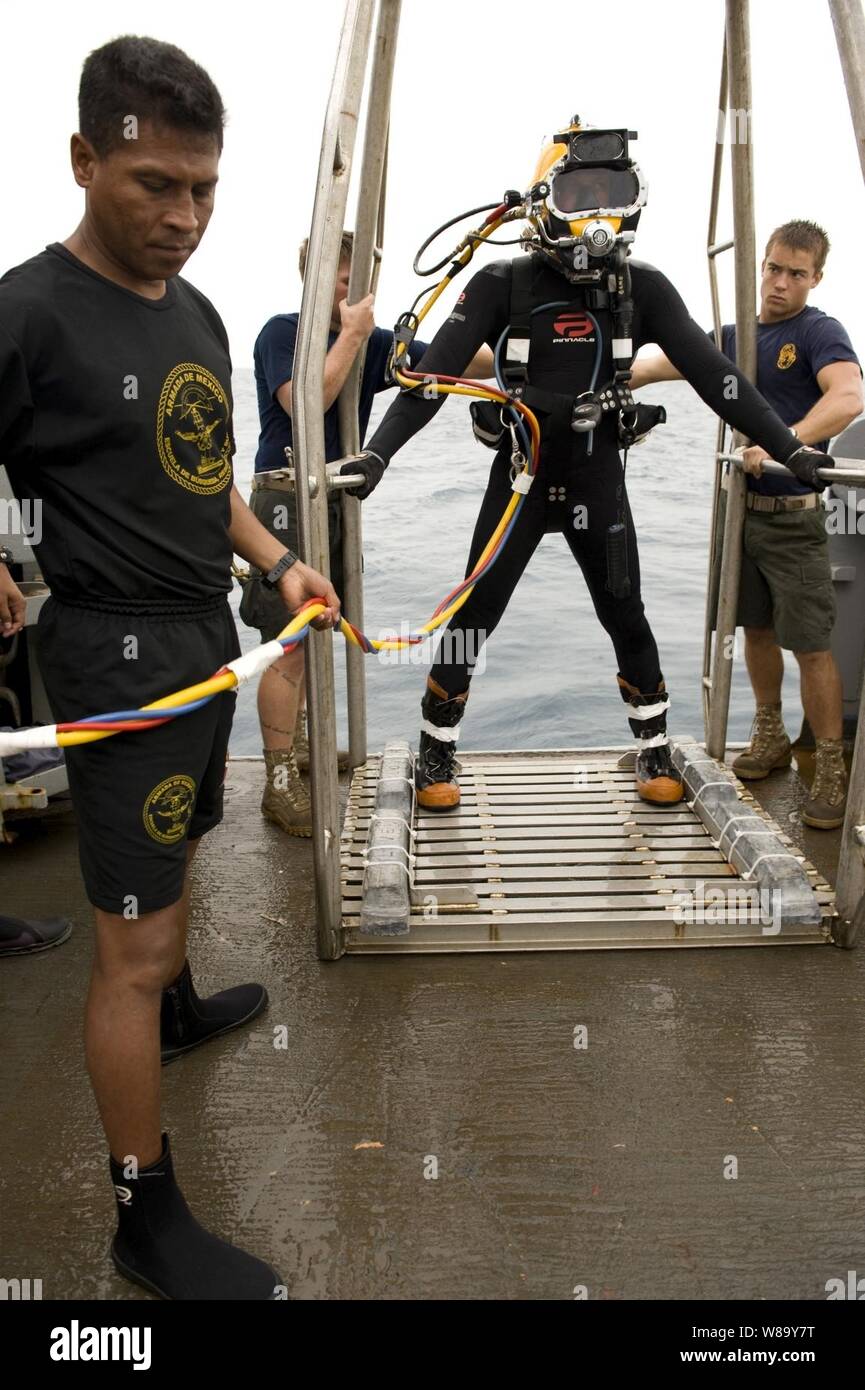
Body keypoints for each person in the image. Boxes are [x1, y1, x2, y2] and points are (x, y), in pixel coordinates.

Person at [0, 36, 339, 1300]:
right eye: (157, 187)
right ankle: (142, 1214)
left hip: (206, 638)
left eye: (205, 188)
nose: (186, 217)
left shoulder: (192, 310)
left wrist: (280, 562)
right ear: (86, 159)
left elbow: (205, 483)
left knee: (181, 857)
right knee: (124, 951)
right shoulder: (25, 311)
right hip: (114, 656)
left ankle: (179, 1007)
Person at [340, 119, 834, 810]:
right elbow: (429, 379)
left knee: (624, 611)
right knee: (473, 614)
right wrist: (376, 455)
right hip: (519, 479)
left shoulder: (644, 289)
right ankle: (435, 748)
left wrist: (790, 449)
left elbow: (718, 378)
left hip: (597, 478)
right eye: (581, 195)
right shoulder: (499, 283)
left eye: (613, 193)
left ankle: (653, 745)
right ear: (545, 201)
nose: (599, 213)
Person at [242, 233, 493, 834]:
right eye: (337, 279)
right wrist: (353, 333)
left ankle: (301, 750)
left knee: (320, 633)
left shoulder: (377, 344)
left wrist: (521, 355)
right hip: (285, 496)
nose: (349, 294)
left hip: (334, 496)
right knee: (289, 645)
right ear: (311, 277)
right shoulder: (284, 333)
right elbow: (309, 402)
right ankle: (278, 784)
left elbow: (448, 358)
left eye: (358, 282)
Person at [631, 220, 862, 828]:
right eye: (773, 268)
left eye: (796, 273)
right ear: (760, 266)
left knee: (811, 647)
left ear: (816, 278)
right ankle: (770, 737)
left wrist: (782, 444)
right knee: (754, 630)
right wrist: (607, 372)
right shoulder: (735, 334)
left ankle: (831, 769)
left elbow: (848, 398)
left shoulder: (818, 331)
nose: (780, 283)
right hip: (741, 514)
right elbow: (666, 361)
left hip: (793, 517)